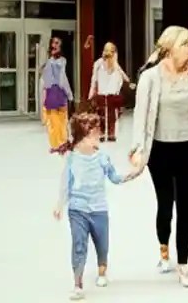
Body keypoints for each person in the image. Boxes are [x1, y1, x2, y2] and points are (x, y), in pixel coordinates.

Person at [128, 25, 188, 288]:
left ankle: (183, 264)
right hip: (160, 149)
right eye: (185, 43)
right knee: (166, 204)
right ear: (171, 47)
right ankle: (164, 247)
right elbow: (140, 115)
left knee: (185, 204)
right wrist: (137, 149)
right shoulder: (151, 77)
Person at [53, 112, 144, 300]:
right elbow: (65, 183)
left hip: (99, 208)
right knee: (79, 244)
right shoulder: (71, 158)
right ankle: (77, 283)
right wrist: (60, 204)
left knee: (102, 245)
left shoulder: (102, 157)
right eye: (95, 133)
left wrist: (132, 174)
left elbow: (114, 177)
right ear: (84, 135)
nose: (99, 136)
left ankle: (102, 272)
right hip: (77, 208)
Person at [89, 42, 134, 142]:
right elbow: (94, 78)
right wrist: (92, 92)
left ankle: (107, 133)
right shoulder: (101, 63)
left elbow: (122, 74)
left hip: (108, 92)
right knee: (105, 114)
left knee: (108, 114)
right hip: (106, 92)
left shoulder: (112, 63)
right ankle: (105, 133)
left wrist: (129, 83)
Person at [41, 37, 75, 154]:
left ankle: (58, 143)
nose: (54, 45)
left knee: (58, 120)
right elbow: (61, 80)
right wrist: (70, 94)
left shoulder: (52, 62)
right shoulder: (59, 62)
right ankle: (60, 143)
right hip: (56, 92)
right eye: (53, 43)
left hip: (55, 93)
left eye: (56, 43)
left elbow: (58, 80)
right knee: (58, 120)